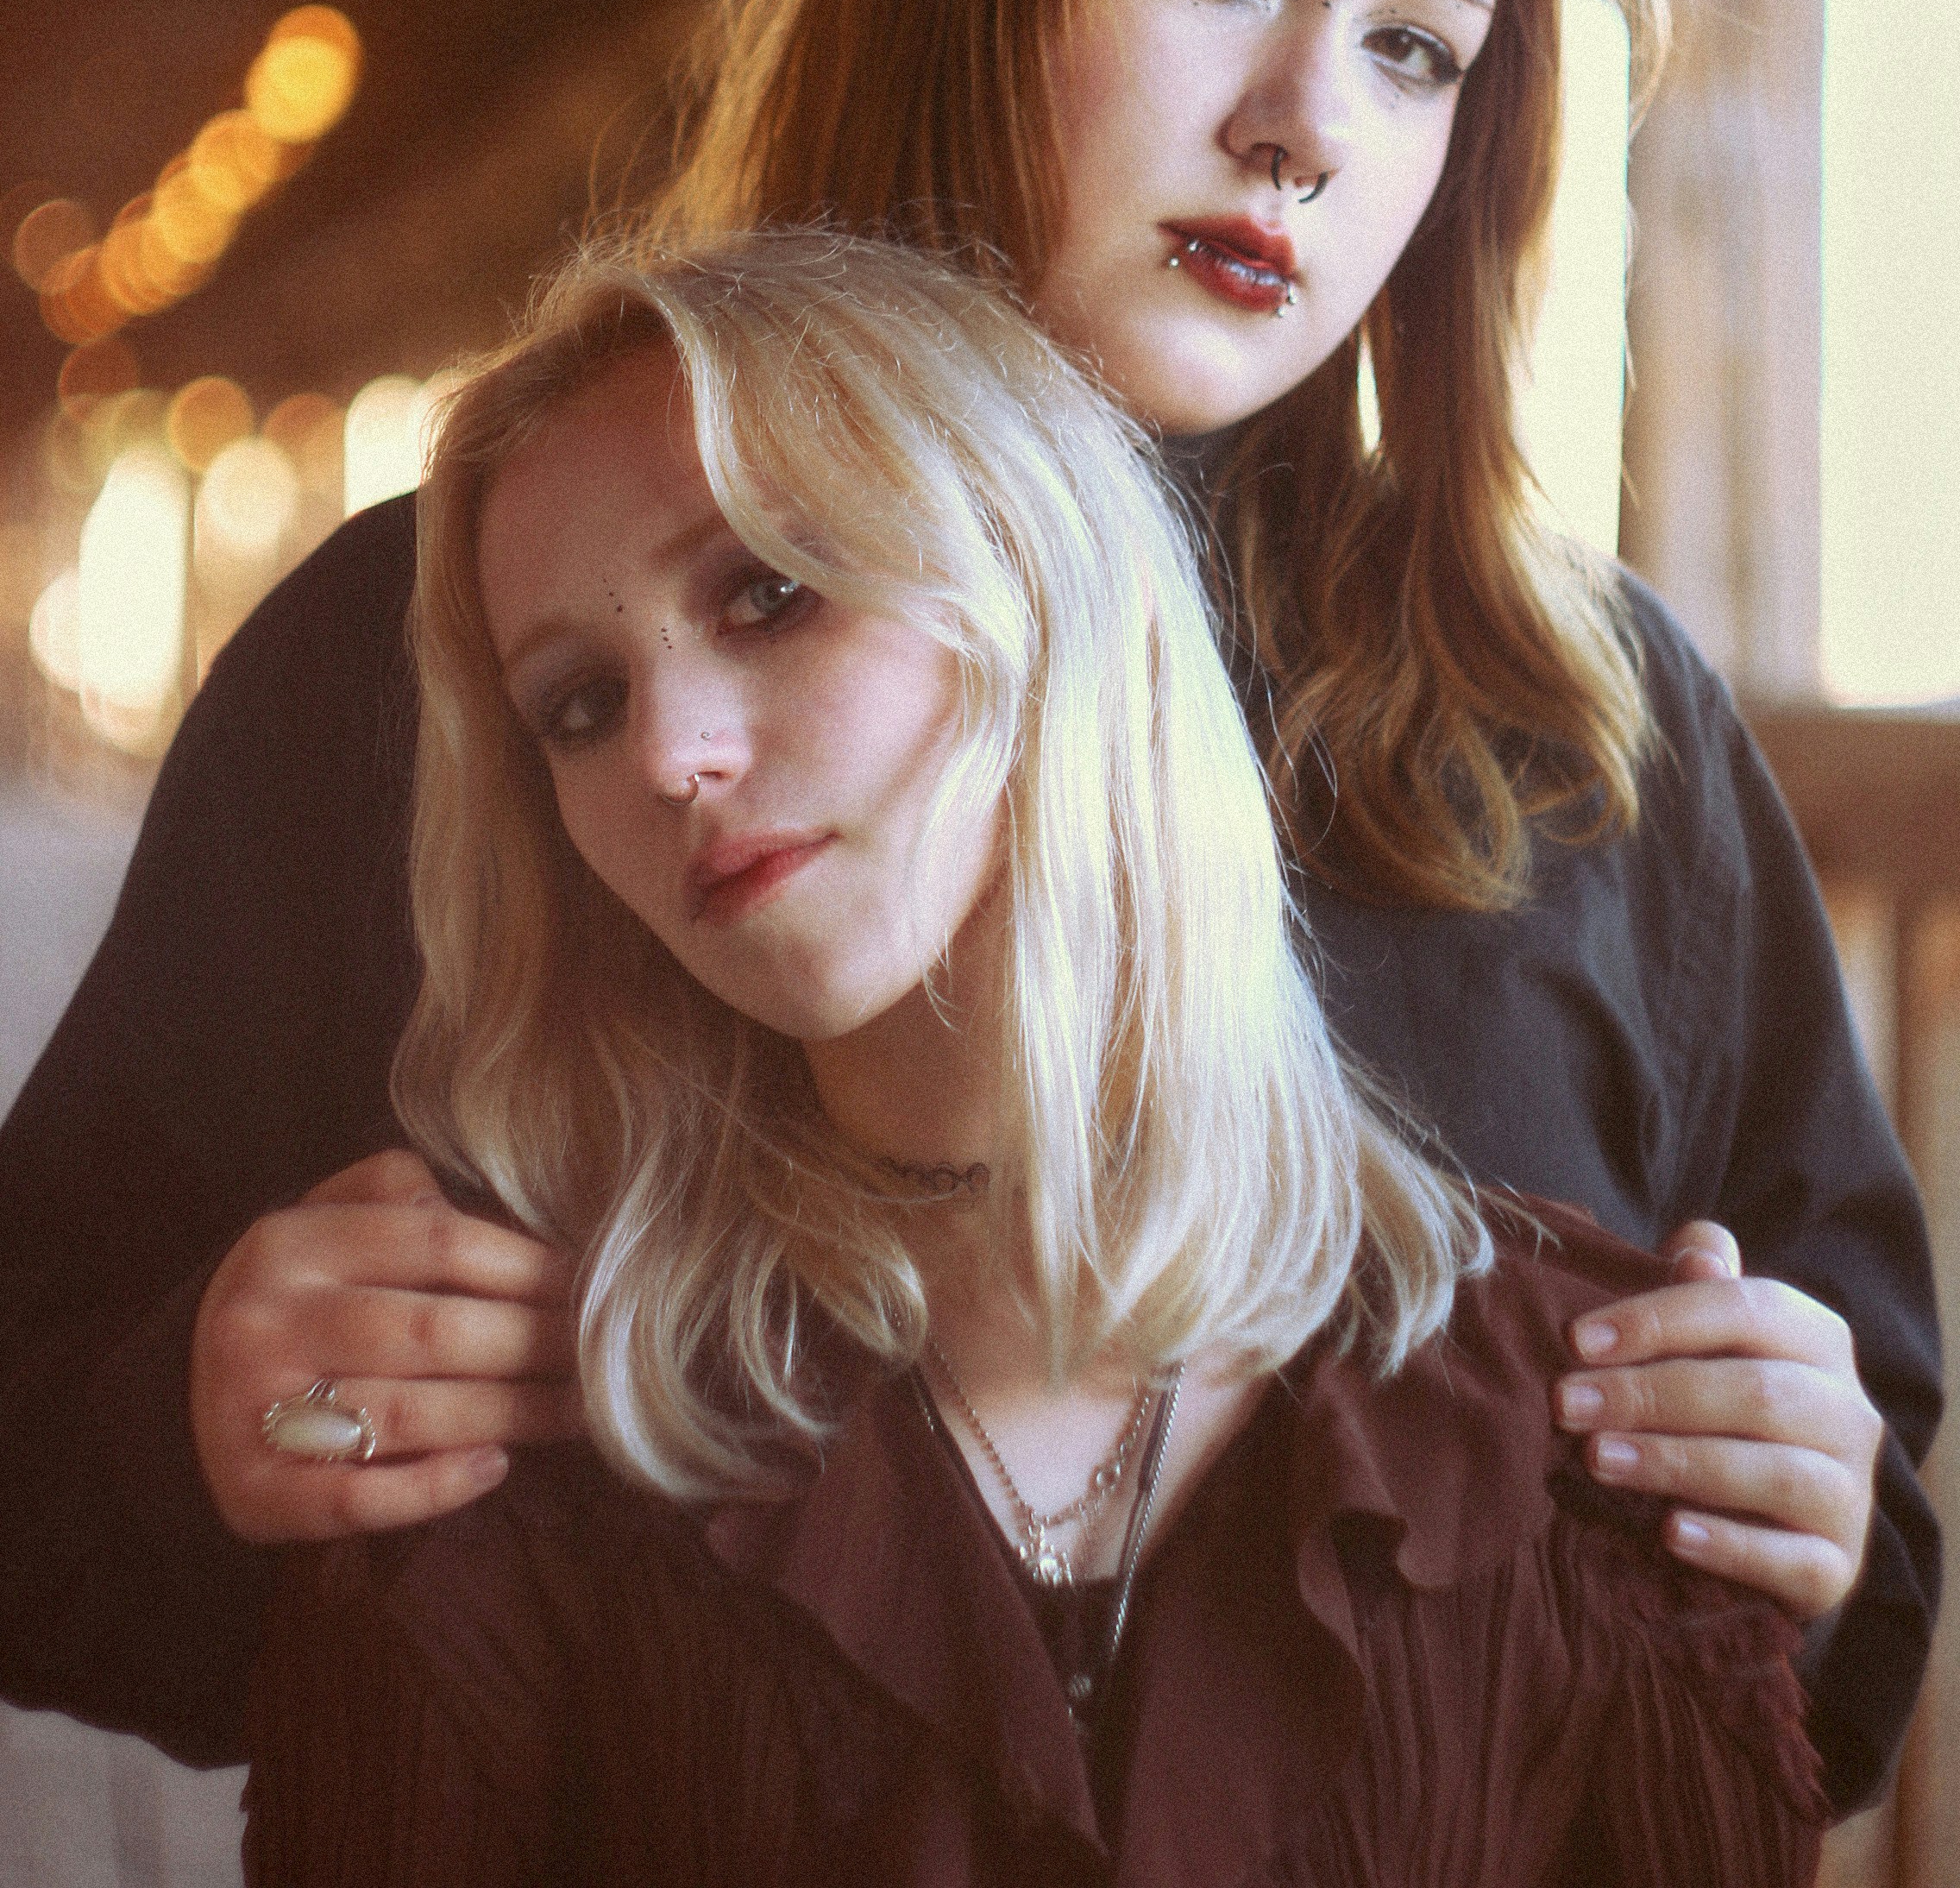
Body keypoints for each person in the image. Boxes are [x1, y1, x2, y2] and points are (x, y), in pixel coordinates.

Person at [0, 0, 1935, 1811]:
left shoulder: (1583, 726)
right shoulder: (440, 656)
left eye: (1420, 48)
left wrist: (1822, 1516)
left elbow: (1843, 1595)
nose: (1308, 117)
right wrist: (194, 1407)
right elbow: (37, 1469)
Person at [242, 227, 1825, 1885]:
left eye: (771, 592)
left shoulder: (1592, 1420)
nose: (671, 754)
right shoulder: (502, 1483)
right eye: (576, 702)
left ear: (1050, 586)